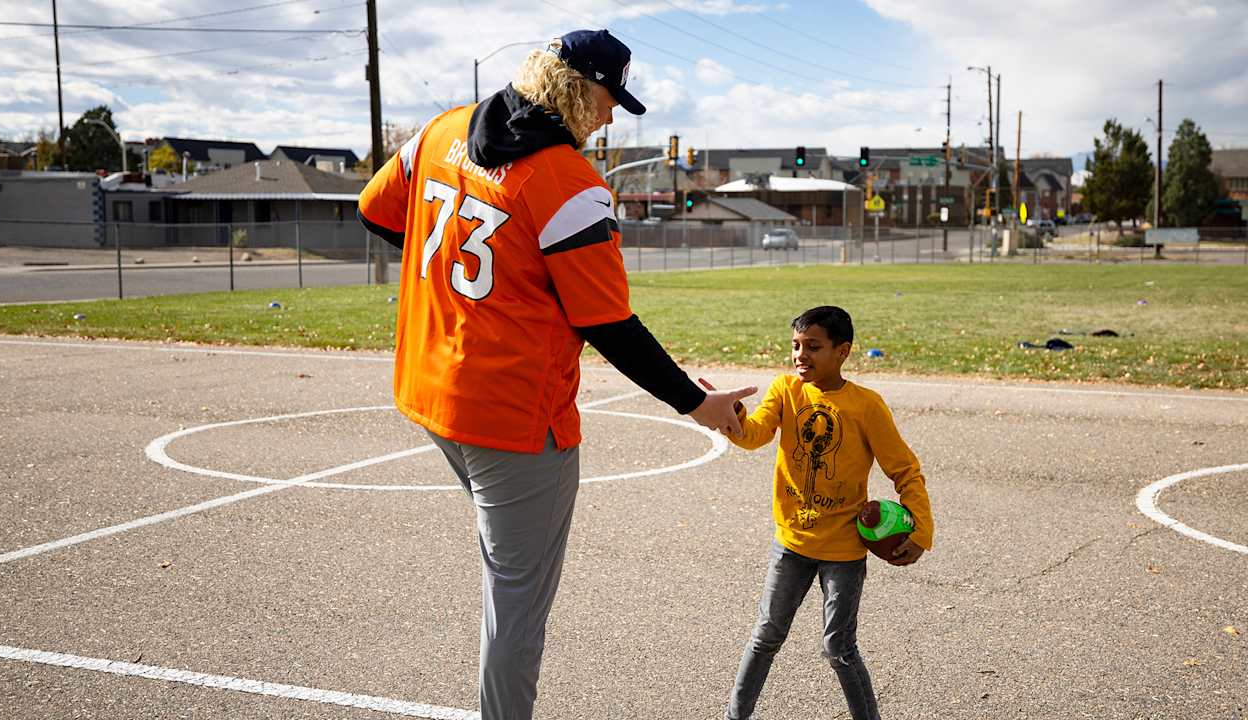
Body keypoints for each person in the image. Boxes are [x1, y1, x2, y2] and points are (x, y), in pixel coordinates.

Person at [356, 28, 755, 720]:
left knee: (505, 576)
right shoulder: (570, 184)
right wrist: (699, 403)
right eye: (607, 100)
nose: (607, 118)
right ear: (575, 87)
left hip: (428, 392)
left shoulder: (442, 129)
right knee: (517, 604)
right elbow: (609, 325)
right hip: (514, 420)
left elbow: (376, 210)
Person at [705, 305, 934, 720]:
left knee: (838, 648)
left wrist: (921, 530)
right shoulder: (786, 390)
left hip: (844, 550)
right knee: (765, 636)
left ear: (842, 351)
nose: (800, 355)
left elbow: (905, 469)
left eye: (813, 346)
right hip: (792, 543)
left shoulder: (866, 405)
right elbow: (754, 435)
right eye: (795, 345)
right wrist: (732, 415)